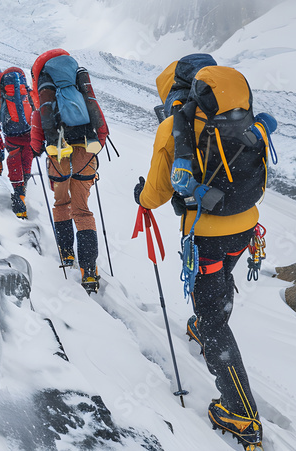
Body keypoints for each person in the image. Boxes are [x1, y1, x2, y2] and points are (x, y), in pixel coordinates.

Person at [134, 64, 276, 450]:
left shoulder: (175, 129)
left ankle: (241, 414)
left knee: (213, 314)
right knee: (219, 284)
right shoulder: (242, 115)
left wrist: (140, 197)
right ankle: (204, 322)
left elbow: (158, 192)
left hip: (207, 234)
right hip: (246, 227)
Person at [30, 49, 108, 292]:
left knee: (61, 204)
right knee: (82, 210)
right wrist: (92, 148)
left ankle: (66, 254)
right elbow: (101, 125)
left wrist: (38, 148)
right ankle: (89, 271)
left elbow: (38, 126)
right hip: (86, 150)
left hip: (58, 153)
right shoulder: (81, 88)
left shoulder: (46, 88)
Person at [0, 66, 36, 218]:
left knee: (14, 159)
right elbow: (36, 108)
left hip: (11, 134)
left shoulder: (3, 92)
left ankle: (19, 195)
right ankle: (24, 186)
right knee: (26, 159)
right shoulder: (26, 92)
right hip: (28, 133)